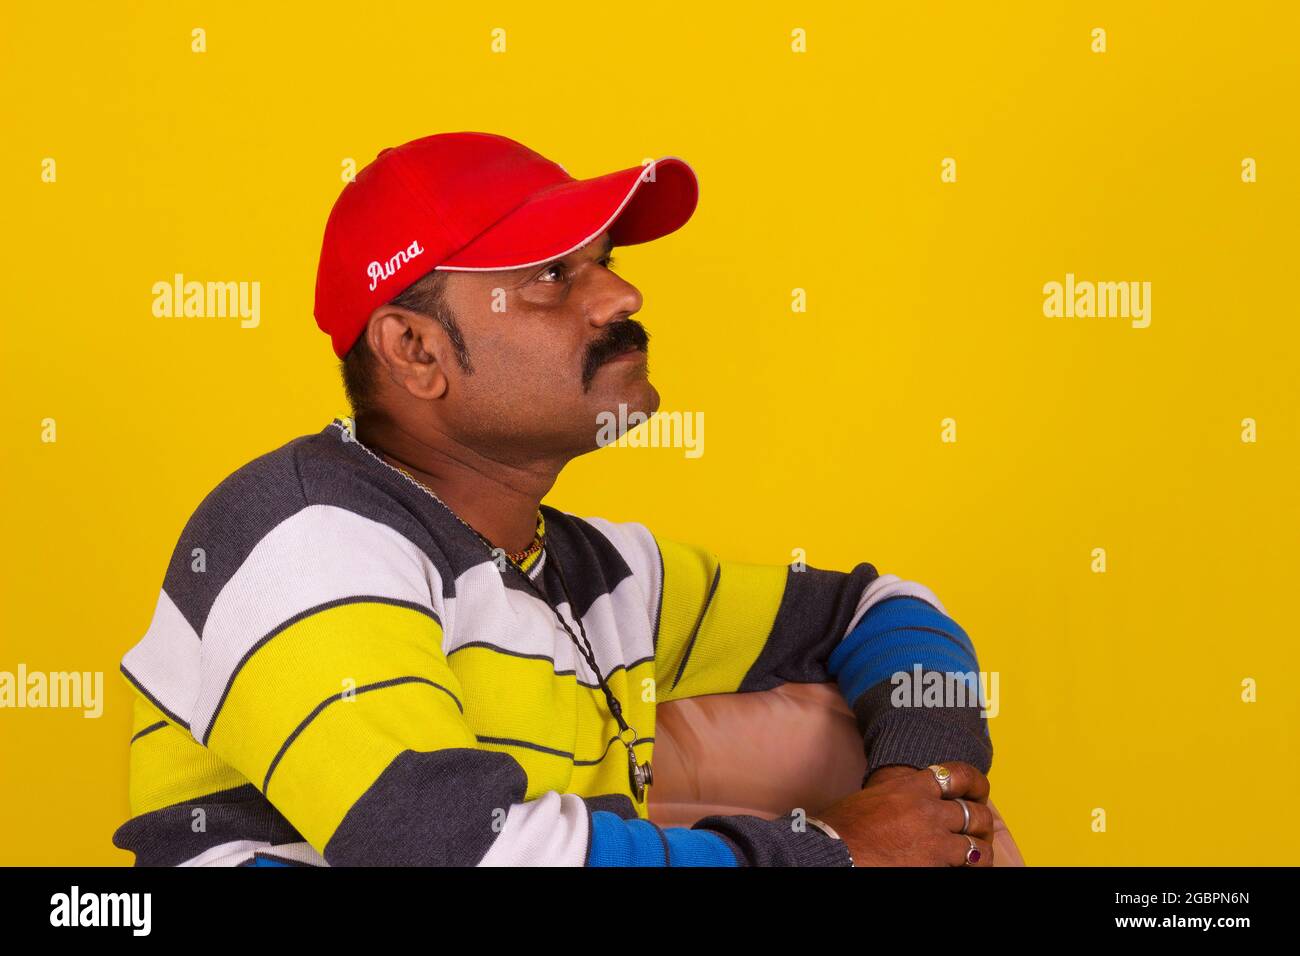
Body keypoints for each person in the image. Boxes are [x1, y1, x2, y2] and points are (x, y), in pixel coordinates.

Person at [112, 132, 995, 867]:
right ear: (416, 351)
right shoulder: (302, 540)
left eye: (602, 264)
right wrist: (836, 849)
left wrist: (929, 796)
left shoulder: (601, 570)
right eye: (549, 277)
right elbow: (458, 857)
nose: (622, 294)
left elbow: (876, 611)